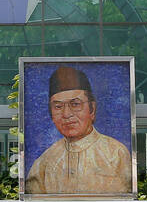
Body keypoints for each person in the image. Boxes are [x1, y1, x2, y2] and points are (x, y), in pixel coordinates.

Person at [25, 65, 132, 195]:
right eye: (58, 107)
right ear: (51, 114)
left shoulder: (116, 154)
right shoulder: (43, 163)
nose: (66, 114)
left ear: (92, 108)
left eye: (75, 104)